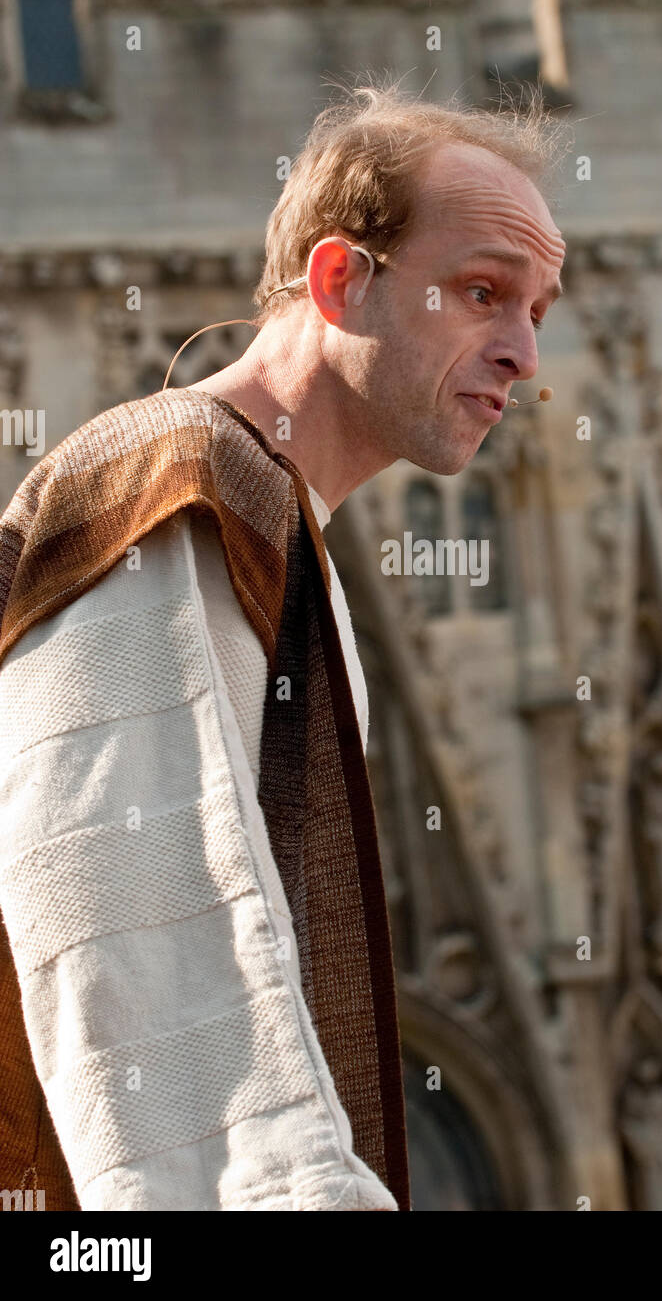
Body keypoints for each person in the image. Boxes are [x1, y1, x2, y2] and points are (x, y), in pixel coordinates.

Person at [0, 81, 566, 1211]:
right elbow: (141, 968)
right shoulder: (175, 490)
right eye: (483, 293)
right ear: (339, 280)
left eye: (539, 309)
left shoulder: (259, 511)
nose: (523, 354)